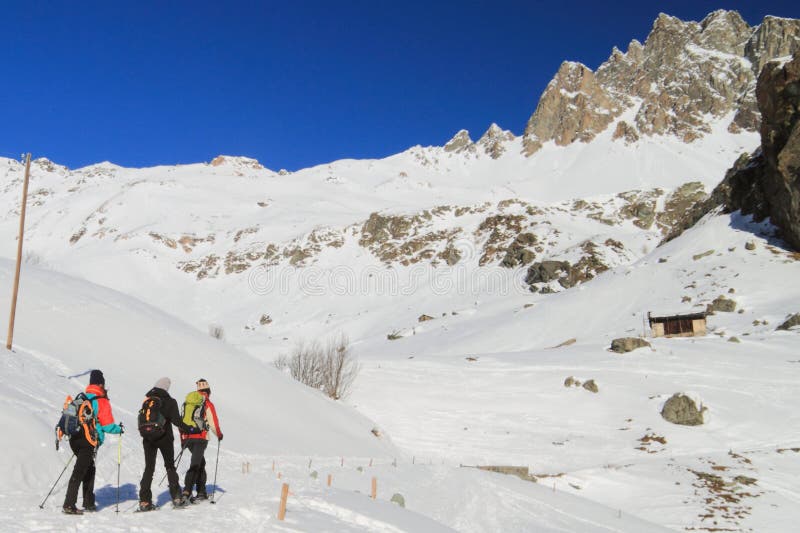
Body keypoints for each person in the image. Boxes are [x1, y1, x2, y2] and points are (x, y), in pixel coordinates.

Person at [62, 369, 123, 515]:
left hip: (74, 438)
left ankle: (88, 502)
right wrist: (119, 429)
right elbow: (108, 425)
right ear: (101, 384)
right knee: (81, 470)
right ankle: (69, 504)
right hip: (88, 440)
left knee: (89, 468)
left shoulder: (81, 397)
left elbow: (68, 416)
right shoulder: (101, 400)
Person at [138, 377, 197, 511]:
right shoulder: (170, 401)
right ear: (166, 388)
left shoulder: (147, 400)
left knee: (149, 468)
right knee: (170, 466)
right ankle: (176, 497)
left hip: (148, 438)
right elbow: (177, 421)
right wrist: (190, 429)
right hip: (165, 438)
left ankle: (144, 501)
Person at [180, 378, 223, 502]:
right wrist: (219, 434)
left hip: (187, 438)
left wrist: (183, 438)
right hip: (200, 438)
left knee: (200, 463)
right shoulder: (207, 403)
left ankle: (201, 491)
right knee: (195, 464)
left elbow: (181, 421)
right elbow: (213, 422)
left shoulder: (187, 402)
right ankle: (187, 491)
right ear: (208, 391)